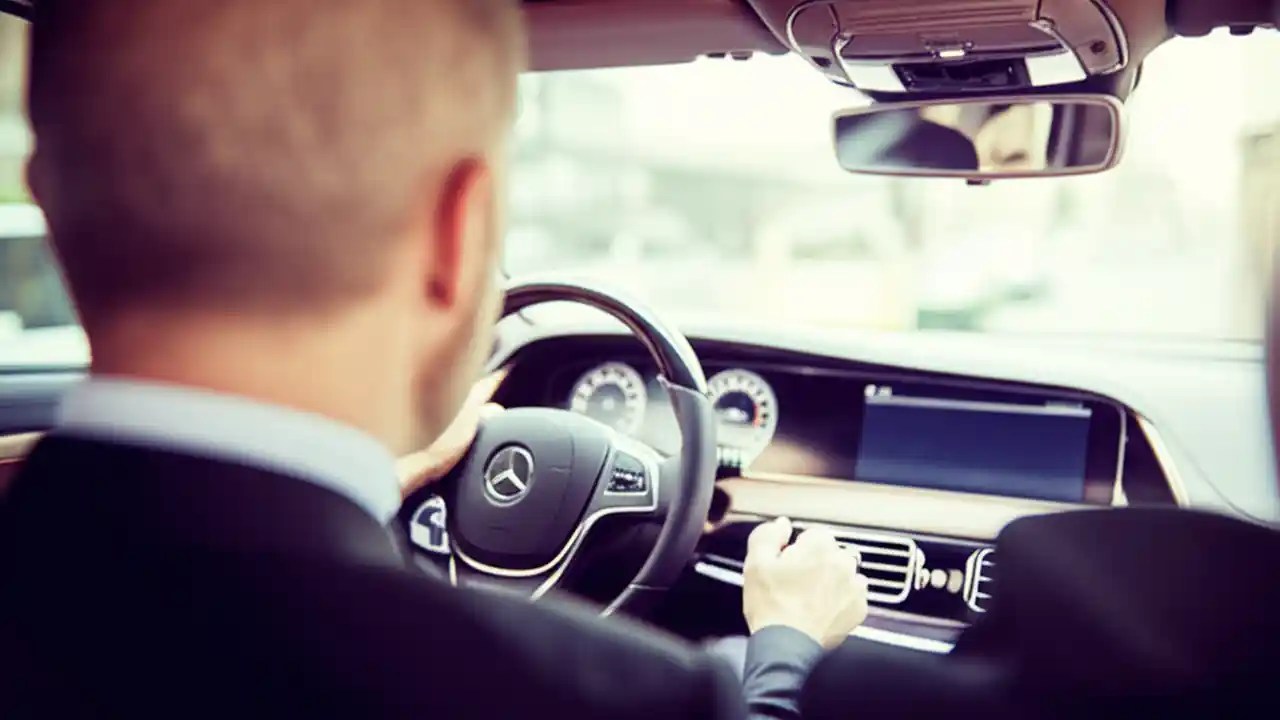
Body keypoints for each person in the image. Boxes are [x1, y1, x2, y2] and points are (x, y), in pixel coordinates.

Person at [0, 1, 869, 718]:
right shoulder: (617, 698)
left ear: (52, 211)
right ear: (459, 237)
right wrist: (787, 644)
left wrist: (382, 482)